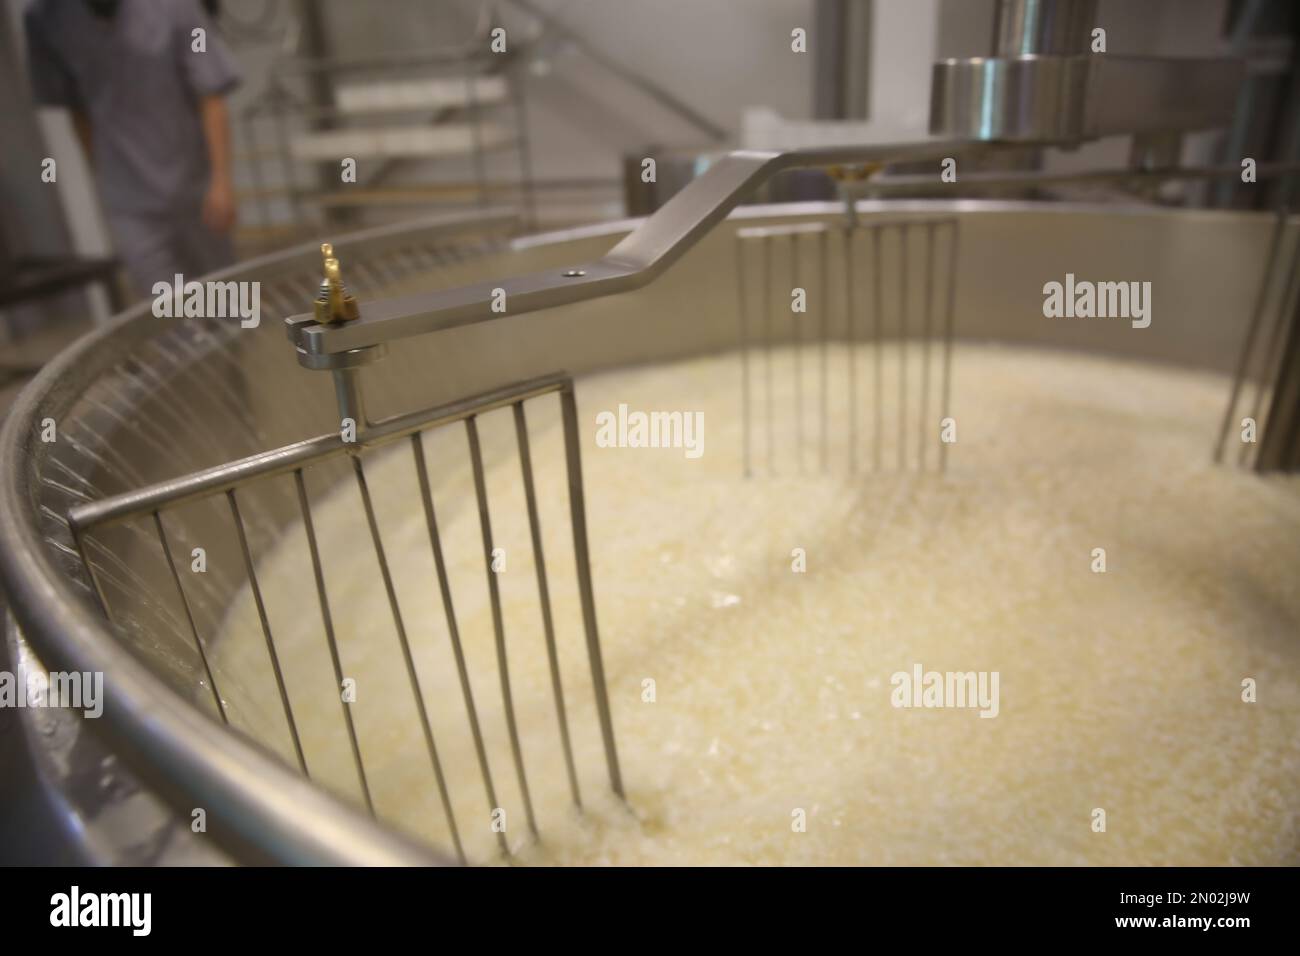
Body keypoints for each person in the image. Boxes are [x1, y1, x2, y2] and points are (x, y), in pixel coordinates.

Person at [24, 0, 242, 298]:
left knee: (223, 300)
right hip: (126, 194)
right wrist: (101, 179)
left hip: (192, 182)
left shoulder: (174, 8)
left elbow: (211, 95)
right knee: (166, 313)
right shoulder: (46, 18)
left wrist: (221, 181)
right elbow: (76, 110)